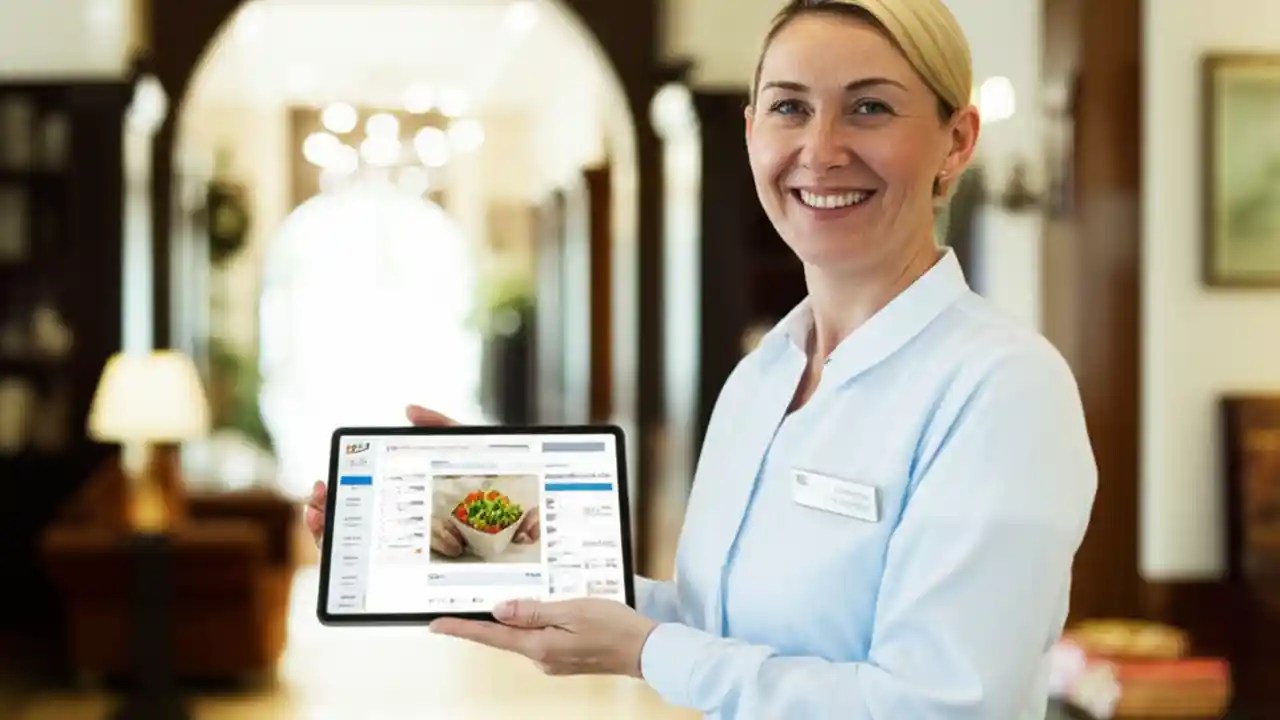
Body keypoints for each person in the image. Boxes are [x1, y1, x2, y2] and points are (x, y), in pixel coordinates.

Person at [306, 0, 1097, 717]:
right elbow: (721, 625)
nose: (821, 150)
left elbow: (937, 708)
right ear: (754, 132)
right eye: (791, 107)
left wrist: (646, 651)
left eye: (869, 107)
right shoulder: (761, 378)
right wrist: (512, 544)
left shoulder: (1002, 390)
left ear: (956, 141)